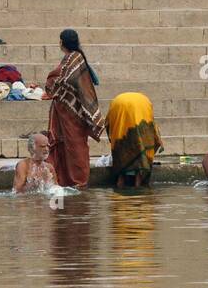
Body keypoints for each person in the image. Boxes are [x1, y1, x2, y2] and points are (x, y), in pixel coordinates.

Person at [44, 29, 105, 188]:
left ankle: (79, 182)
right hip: (66, 112)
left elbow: (58, 80)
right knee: (64, 145)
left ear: (62, 42)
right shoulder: (74, 57)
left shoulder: (74, 58)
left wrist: (50, 83)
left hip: (74, 114)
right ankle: (65, 180)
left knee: (75, 146)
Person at [106, 91, 163, 189]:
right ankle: (138, 182)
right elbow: (152, 126)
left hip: (118, 106)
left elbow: (107, 123)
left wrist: (113, 138)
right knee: (141, 148)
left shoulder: (116, 101)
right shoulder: (145, 101)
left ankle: (121, 180)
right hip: (140, 110)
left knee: (122, 146)